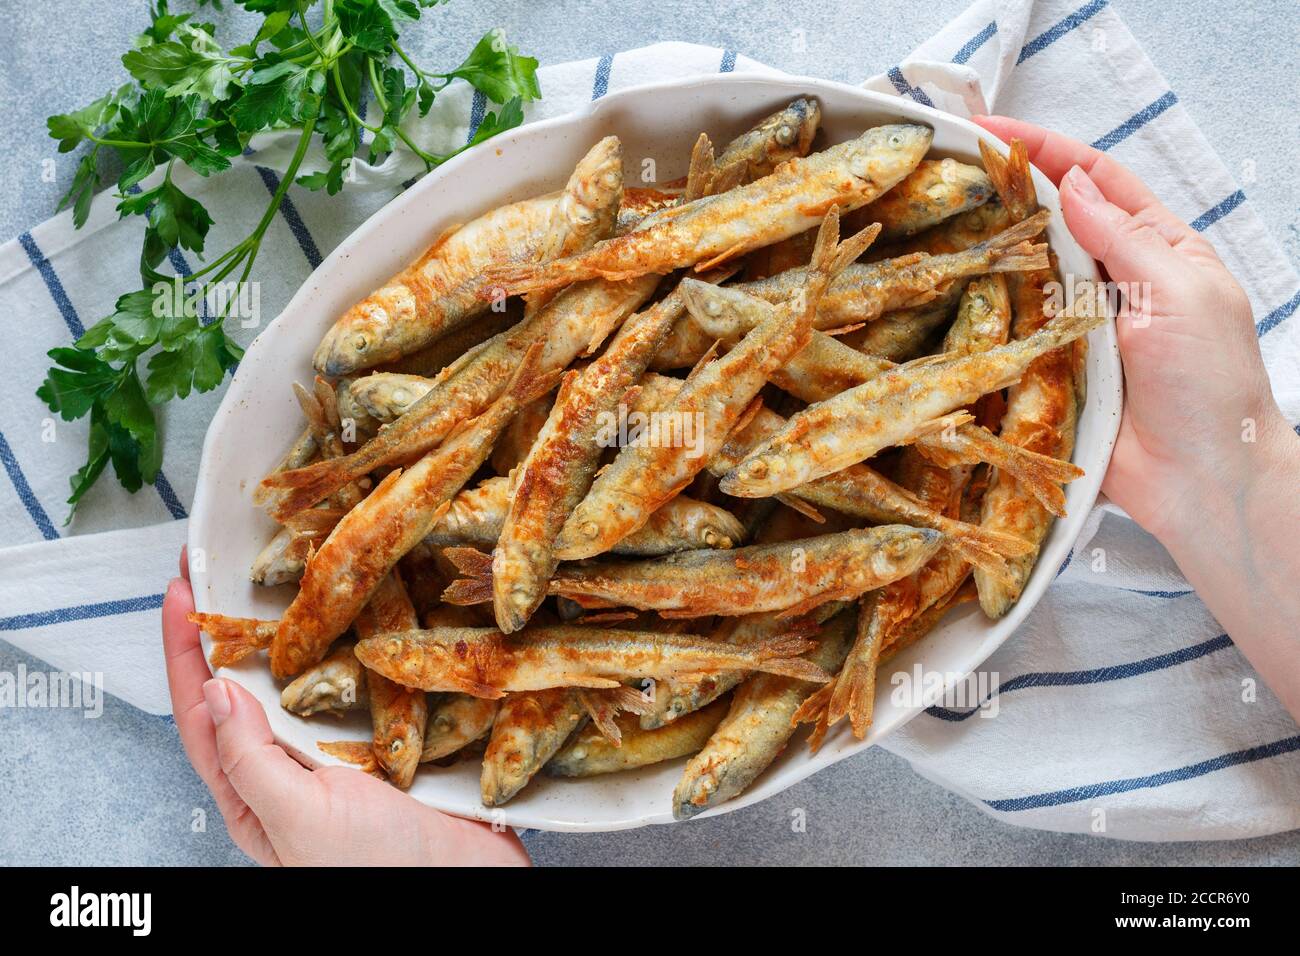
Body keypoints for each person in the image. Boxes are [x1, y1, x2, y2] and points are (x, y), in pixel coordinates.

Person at [162, 117, 1300, 866]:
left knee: (709, 483)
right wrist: (1236, 483)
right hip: (699, 490)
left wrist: (1233, 470)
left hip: (774, 477)